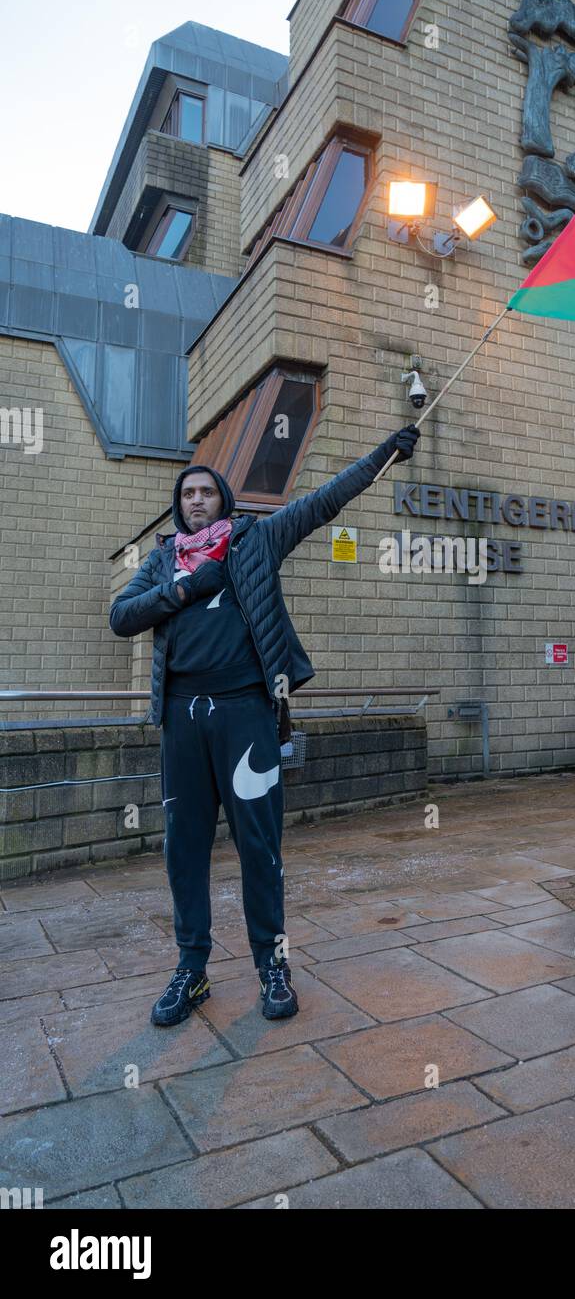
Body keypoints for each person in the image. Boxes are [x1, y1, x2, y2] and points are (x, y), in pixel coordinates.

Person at [109, 424, 420, 1026]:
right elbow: (121, 617)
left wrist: (384, 453)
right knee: (184, 847)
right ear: (179, 506)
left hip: (247, 714)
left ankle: (271, 967)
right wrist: (184, 588)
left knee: (259, 845)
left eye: (206, 491)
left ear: (223, 498)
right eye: (187, 494)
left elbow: (324, 501)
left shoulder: (257, 540)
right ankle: (190, 970)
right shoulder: (163, 560)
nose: (196, 499)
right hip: (182, 720)